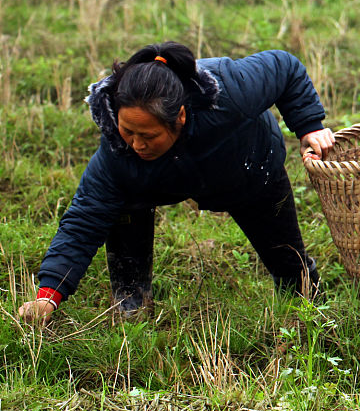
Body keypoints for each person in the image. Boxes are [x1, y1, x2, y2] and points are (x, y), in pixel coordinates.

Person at [18, 42, 334, 321]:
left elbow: (285, 66)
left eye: (148, 135)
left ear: (180, 117)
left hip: (248, 164)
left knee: (291, 267)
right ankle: (132, 302)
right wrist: (48, 295)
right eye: (128, 131)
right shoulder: (118, 152)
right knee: (122, 200)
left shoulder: (230, 91)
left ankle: (307, 308)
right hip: (163, 177)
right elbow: (84, 219)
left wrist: (309, 125)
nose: (136, 144)